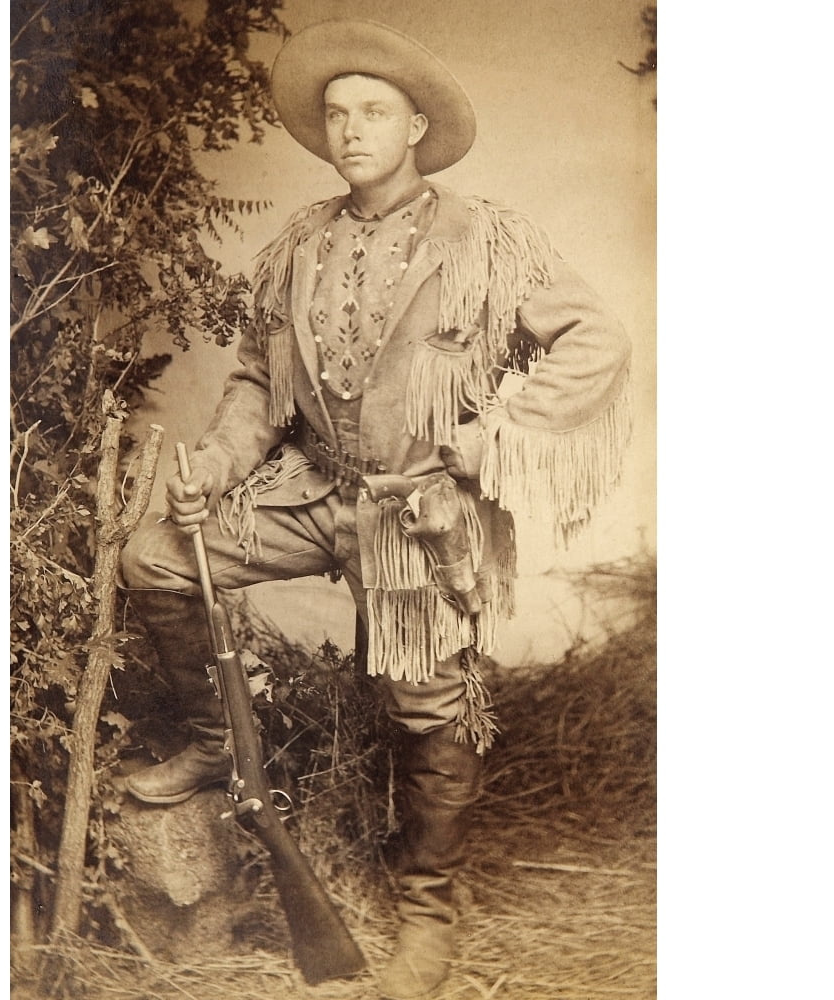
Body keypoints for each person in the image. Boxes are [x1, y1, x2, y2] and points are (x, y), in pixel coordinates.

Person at [119, 18, 632, 1000]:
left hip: (417, 512)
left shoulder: (487, 239)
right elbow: (253, 385)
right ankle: (214, 740)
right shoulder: (298, 246)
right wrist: (218, 466)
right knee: (156, 558)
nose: (351, 130)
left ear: (414, 127)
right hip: (310, 493)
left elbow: (593, 344)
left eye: (374, 112)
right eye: (337, 112)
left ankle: (426, 909)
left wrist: (489, 440)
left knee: (427, 706)